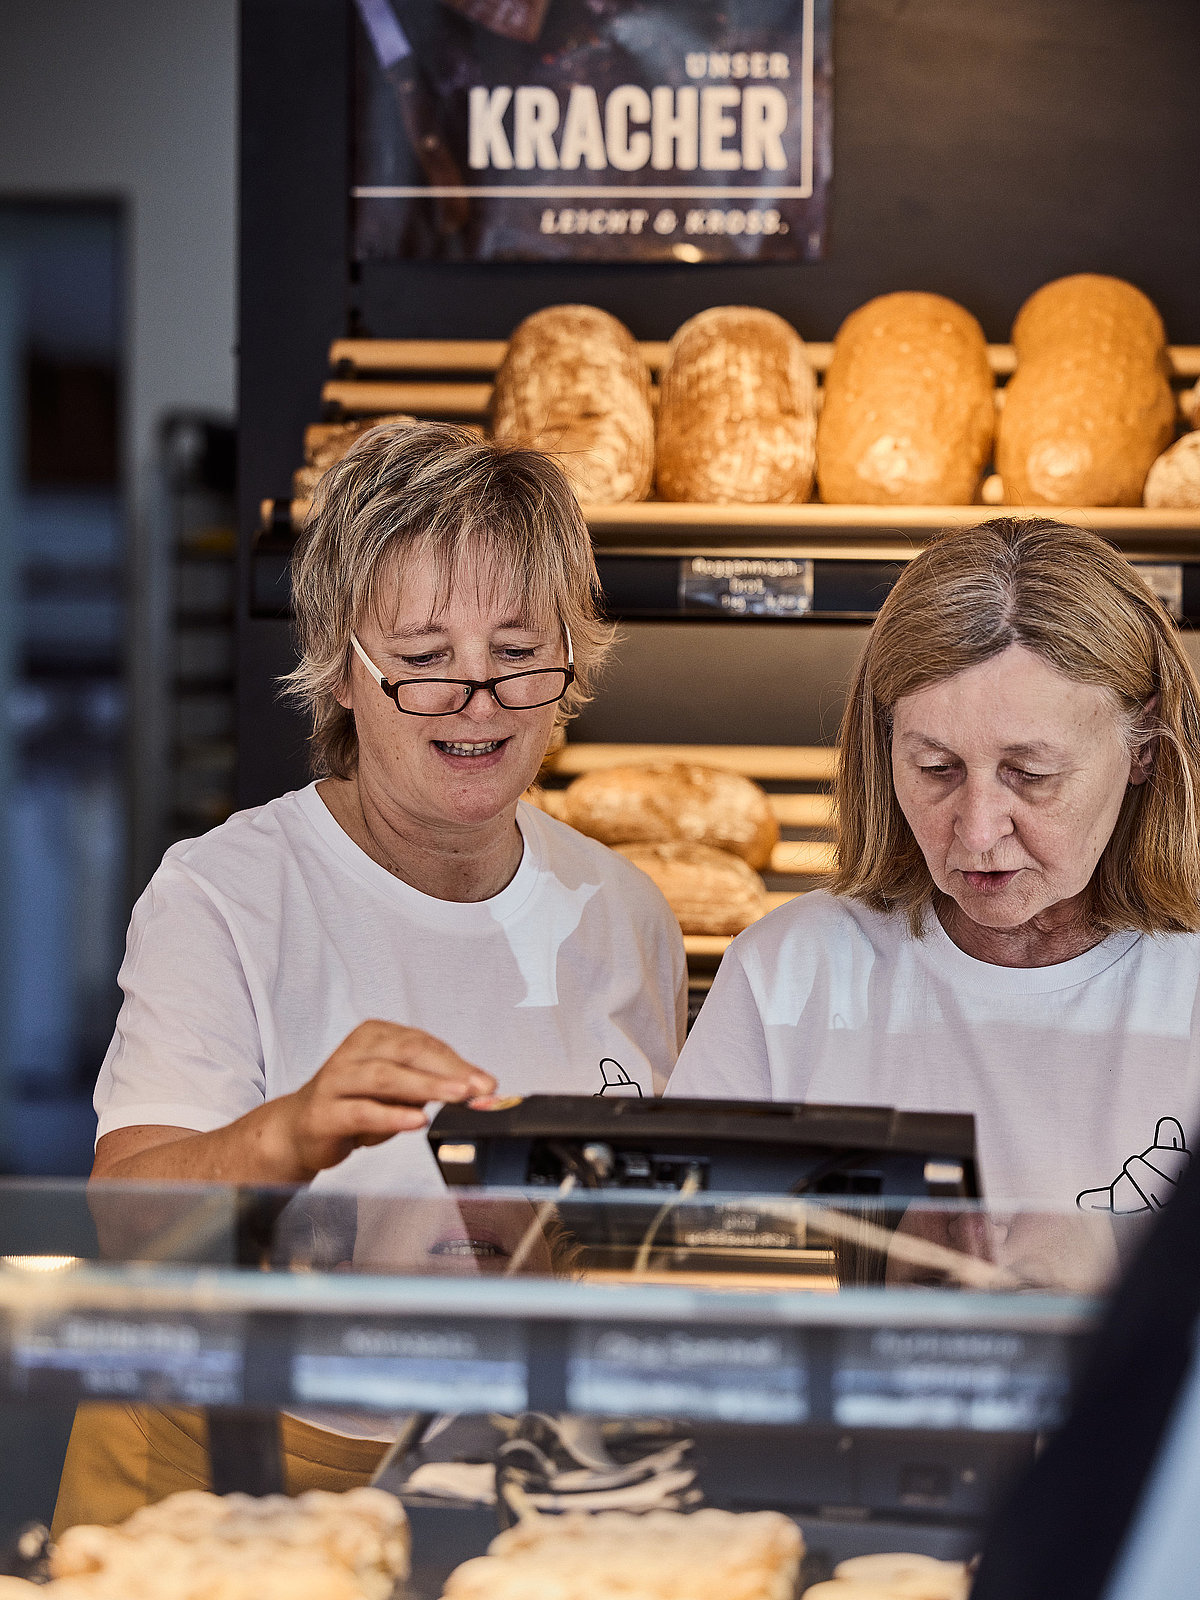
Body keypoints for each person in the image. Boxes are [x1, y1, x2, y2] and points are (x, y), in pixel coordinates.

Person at [55, 419, 686, 1526]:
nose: (479, 696)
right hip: (223, 1475)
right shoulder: (228, 893)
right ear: (343, 669)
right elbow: (128, 1224)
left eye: (517, 649)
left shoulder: (624, 915)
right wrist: (292, 1131)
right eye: (426, 656)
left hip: (503, 1480)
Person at [669, 517, 1200, 1214]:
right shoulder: (789, 975)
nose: (977, 831)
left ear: (1145, 748)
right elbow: (688, 1268)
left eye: (1032, 772)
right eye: (936, 768)